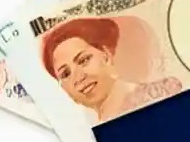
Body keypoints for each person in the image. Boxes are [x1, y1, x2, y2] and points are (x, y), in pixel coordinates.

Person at [40, 18, 180, 122]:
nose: (78, 77)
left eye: (83, 60)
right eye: (65, 74)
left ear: (106, 56)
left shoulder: (157, 96)